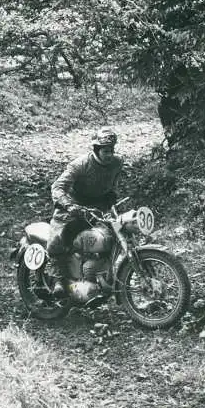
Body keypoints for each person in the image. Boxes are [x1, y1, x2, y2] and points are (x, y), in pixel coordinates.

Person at [47, 127, 123, 297]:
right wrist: (68, 205)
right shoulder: (80, 165)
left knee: (113, 235)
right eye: (105, 151)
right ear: (96, 149)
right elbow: (57, 187)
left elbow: (114, 185)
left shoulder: (117, 163)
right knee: (59, 236)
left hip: (98, 209)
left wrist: (111, 197)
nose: (109, 154)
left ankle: (102, 275)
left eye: (111, 150)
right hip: (73, 207)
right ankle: (57, 279)